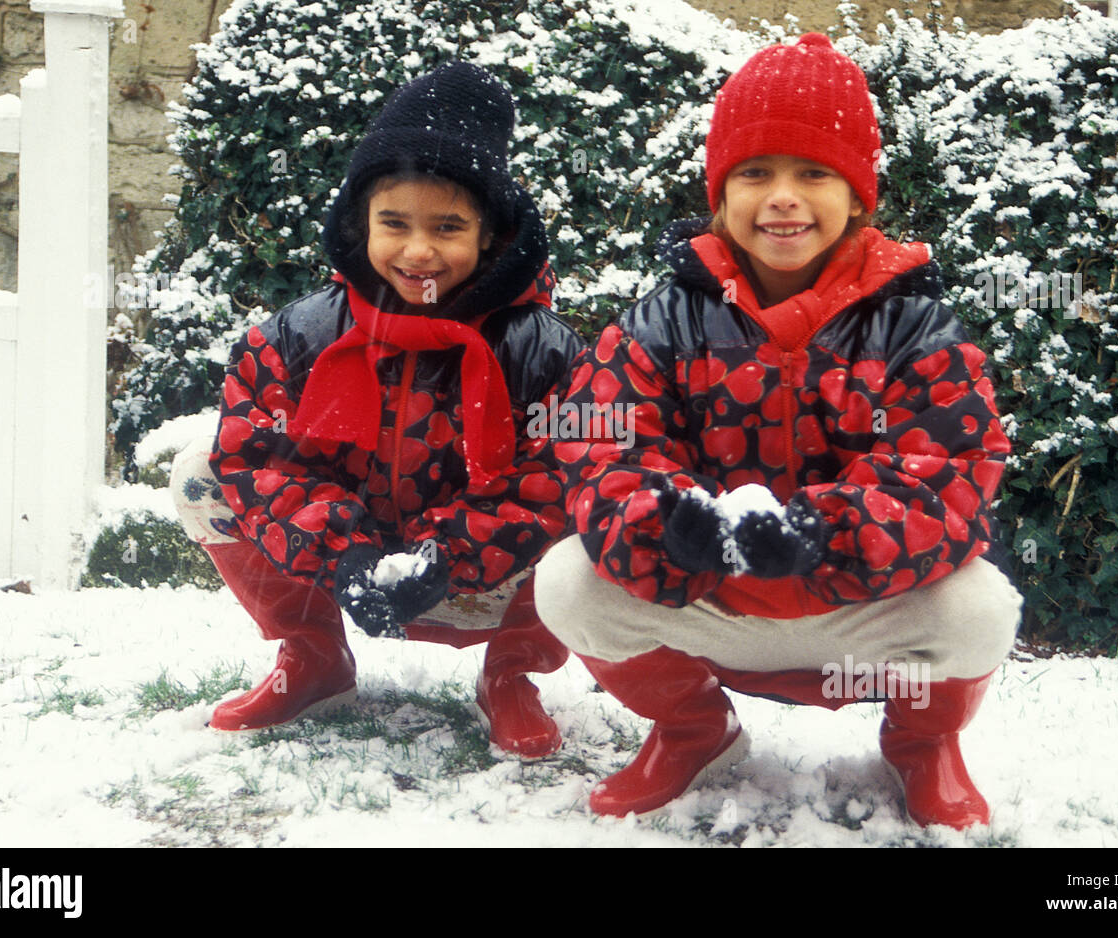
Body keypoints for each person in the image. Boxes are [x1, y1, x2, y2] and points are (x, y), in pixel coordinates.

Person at [533, 35, 1023, 828]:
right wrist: (667, 524)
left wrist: (821, 532)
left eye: (813, 173)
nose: (782, 197)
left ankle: (922, 743)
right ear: (720, 194)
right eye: (755, 173)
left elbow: (947, 472)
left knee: (980, 607)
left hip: (854, 604)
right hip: (712, 593)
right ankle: (695, 731)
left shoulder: (919, 330)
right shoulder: (658, 324)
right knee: (566, 582)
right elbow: (601, 446)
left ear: (858, 196)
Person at [169, 62, 582, 759]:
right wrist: (346, 552)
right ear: (361, 225)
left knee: (592, 512)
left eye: (448, 226)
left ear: (491, 236)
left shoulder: (541, 351)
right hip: (343, 559)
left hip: (472, 572)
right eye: (395, 222)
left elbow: (553, 480)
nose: (418, 250)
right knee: (199, 473)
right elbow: (257, 460)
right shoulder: (298, 338)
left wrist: (445, 555)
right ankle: (313, 656)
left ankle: (512, 672)